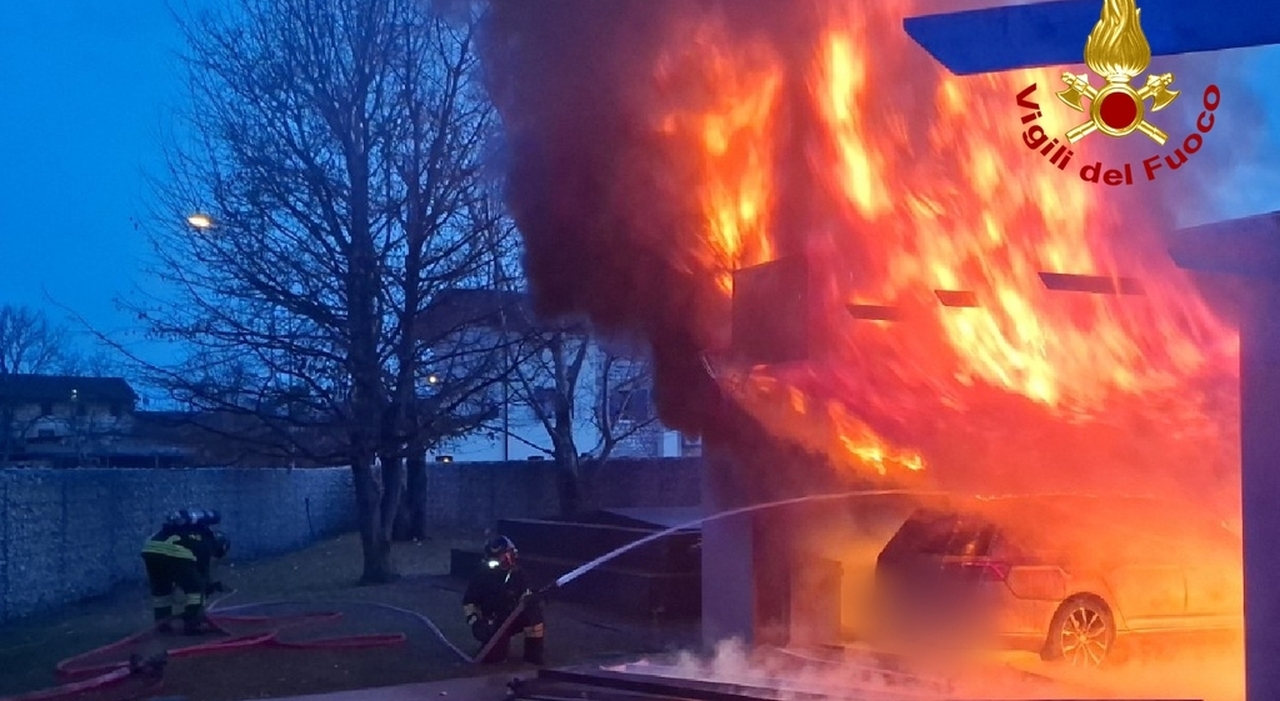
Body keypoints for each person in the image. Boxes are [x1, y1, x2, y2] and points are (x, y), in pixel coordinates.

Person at [140, 508, 230, 634]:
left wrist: (211, 584)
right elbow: (202, 577)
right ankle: (192, 624)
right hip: (174, 551)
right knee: (196, 590)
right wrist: (209, 587)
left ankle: (162, 624)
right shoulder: (207, 543)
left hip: (150, 549)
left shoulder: (193, 532)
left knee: (162, 590)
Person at [462, 535, 546, 665]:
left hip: (513, 616)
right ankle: (492, 646)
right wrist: (475, 622)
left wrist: (531, 599)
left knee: (533, 611)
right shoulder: (481, 575)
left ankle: (533, 652)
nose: (502, 559)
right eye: (498, 556)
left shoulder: (519, 574)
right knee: (494, 659)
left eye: (504, 554)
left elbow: (525, 594)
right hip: (493, 622)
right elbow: (469, 601)